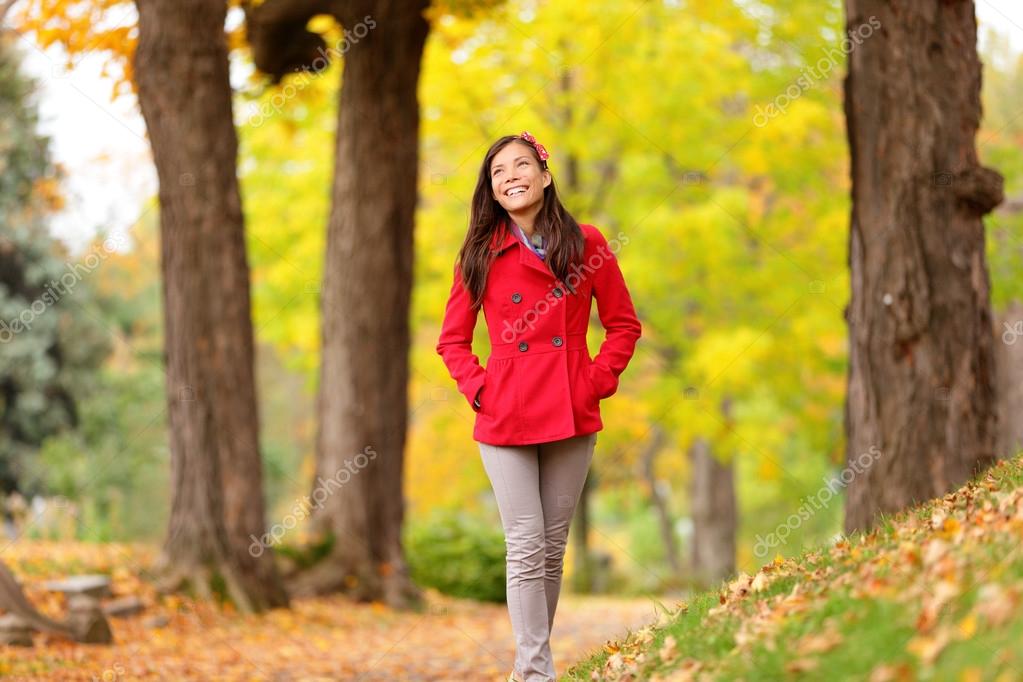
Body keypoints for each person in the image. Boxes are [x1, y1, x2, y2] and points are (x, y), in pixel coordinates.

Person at [435, 131, 642, 681]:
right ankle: (533, 672)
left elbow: (623, 325)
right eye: (498, 172)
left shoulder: (588, 243)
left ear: (545, 176)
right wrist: (481, 390)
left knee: (551, 549)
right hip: (505, 413)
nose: (510, 177)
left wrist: (595, 380)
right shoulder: (479, 254)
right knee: (525, 544)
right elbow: (452, 341)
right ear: (492, 189)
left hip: (571, 409)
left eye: (520, 165)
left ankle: (533, 668)